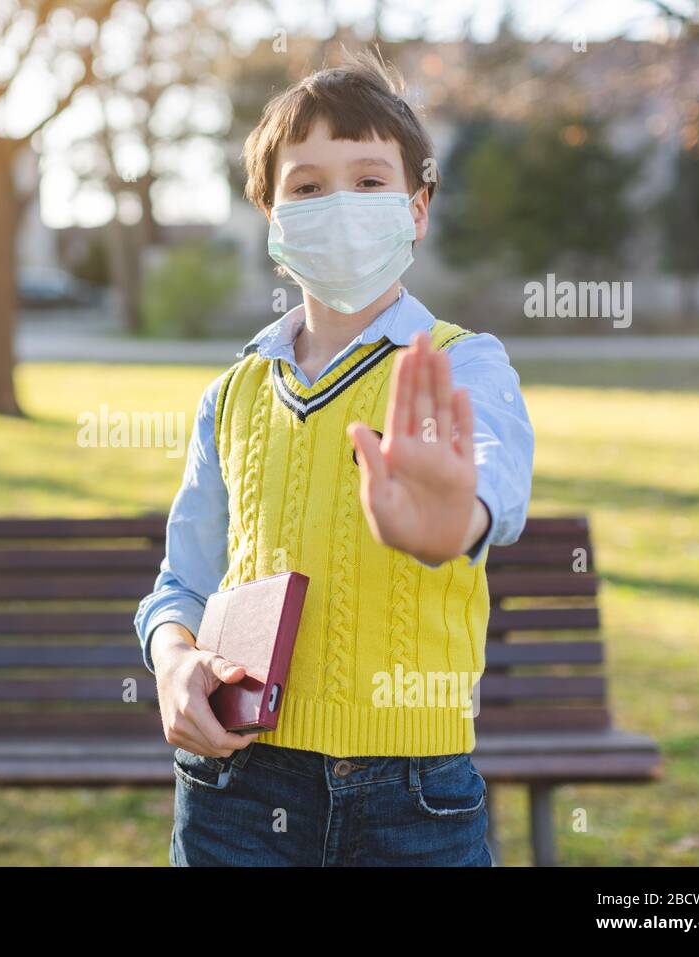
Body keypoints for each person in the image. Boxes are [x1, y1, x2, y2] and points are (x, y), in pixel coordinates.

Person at [134, 52, 535, 866]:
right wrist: (174, 663)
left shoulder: (462, 364)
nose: (341, 205)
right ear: (273, 220)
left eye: (369, 180)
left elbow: (495, 481)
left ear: (417, 210)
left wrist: (449, 520)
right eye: (308, 186)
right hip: (233, 790)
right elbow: (183, 580)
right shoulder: (232, 394)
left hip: (413, 797)